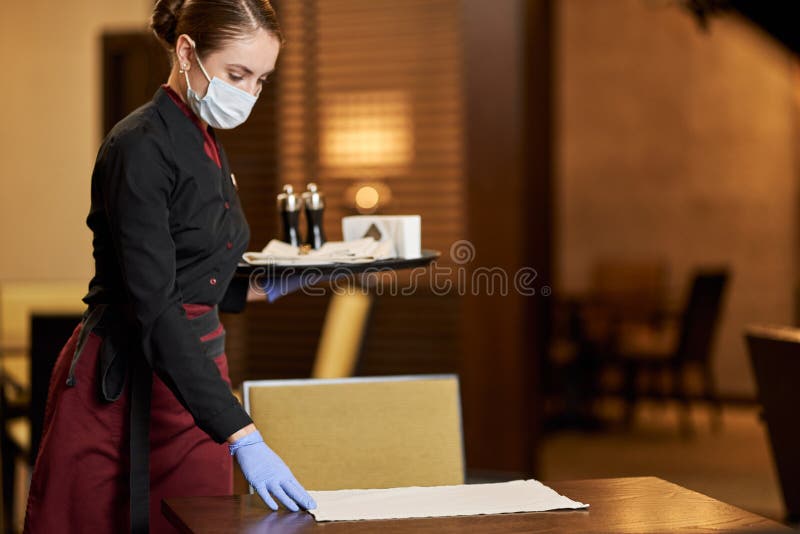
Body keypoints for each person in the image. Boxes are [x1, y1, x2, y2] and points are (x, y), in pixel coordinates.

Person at [23, 1, 317, 532]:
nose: (249, 93)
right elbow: (156, 305)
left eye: (261, 80)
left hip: (196, 376)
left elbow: (202, 280)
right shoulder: (139, 146)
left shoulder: (206, 140)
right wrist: (243, 435)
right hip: (124, 383)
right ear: (186, 52)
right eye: (237, 75)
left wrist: (284, 281)